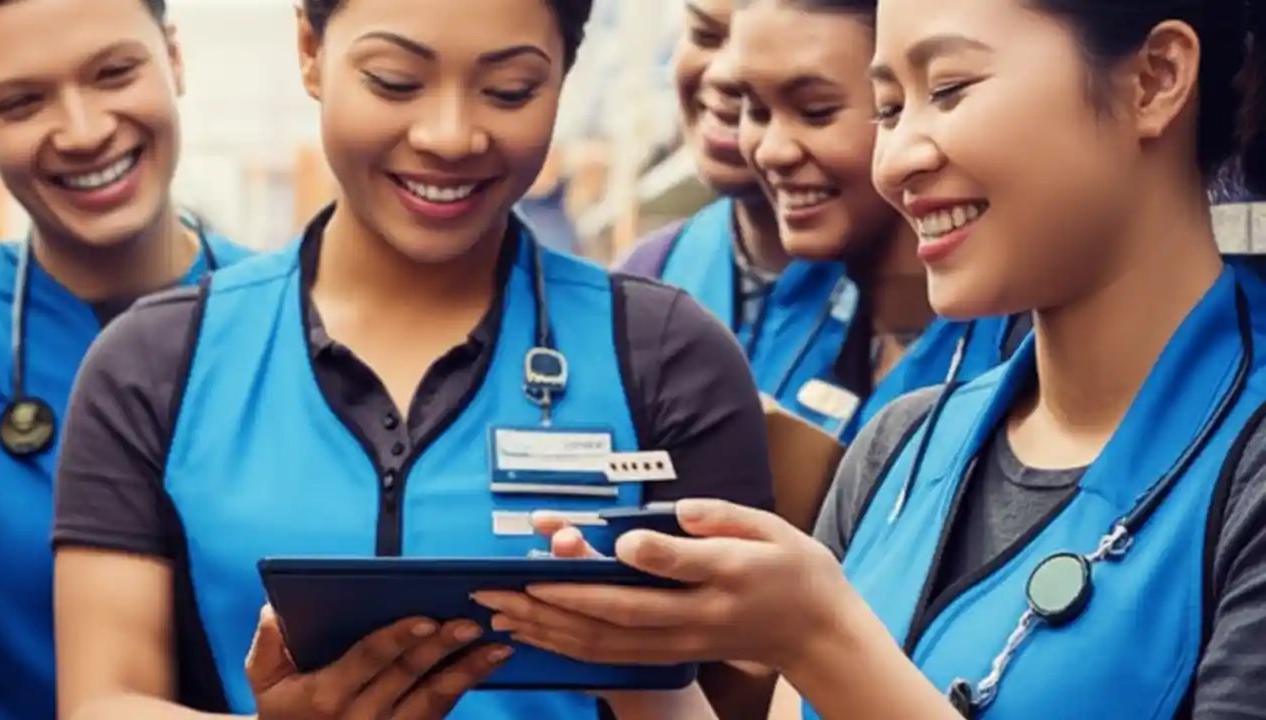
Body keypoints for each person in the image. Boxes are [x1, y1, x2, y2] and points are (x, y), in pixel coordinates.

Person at [473, 0, 1266, 718]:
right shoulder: (901, 448)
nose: (895, 161)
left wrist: (820, 642)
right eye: (888, 107)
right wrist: (637, 667)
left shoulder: (1247, 470)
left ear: (1155, 79)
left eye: (948, 88)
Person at [50, 0, 773, 718]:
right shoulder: (154, 365)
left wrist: (636, 665)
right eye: (395, 81)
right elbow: (104, 702)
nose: (449, 137)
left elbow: (745, 693)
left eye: (510, 90)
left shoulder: (668, 358)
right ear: (310, 50)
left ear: (564, 76)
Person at [0, 1, 251, 717]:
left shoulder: (301, 324)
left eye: (114, 73)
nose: (83, 131)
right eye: (21, 102)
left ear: (175, 59)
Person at [617, 0, 855, 432]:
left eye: (817, 108)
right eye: (705, 35)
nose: (727, 74)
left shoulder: (921, 308)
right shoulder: (648, 276)